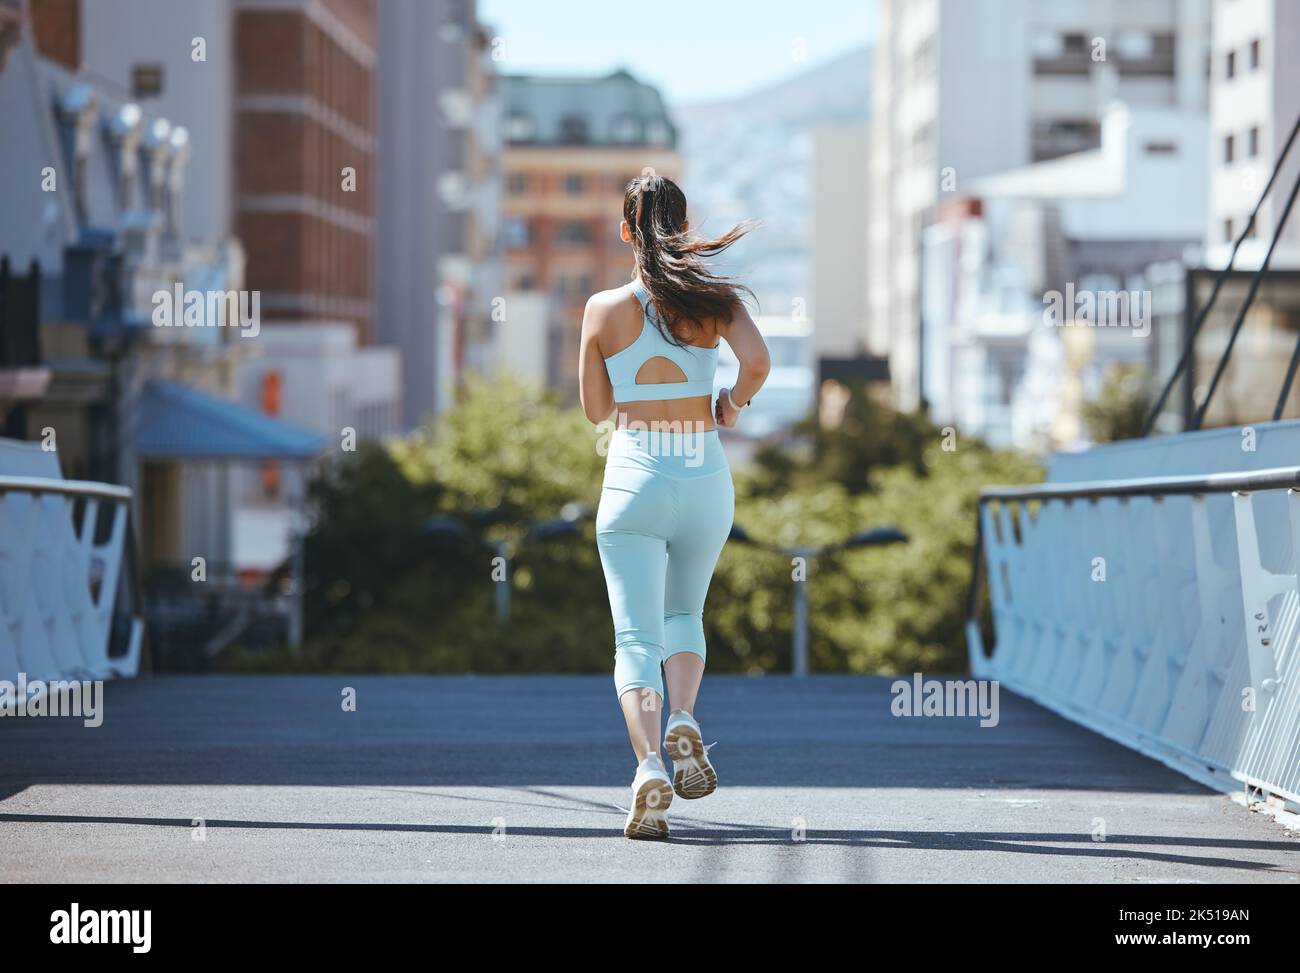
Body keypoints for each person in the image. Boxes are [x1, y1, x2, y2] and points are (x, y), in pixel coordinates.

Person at [578, 172, 770, 839]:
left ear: (626, 231)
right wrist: (732, 404)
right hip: (703, 471)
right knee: (685, 611)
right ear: (683, 229)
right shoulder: (715, 301)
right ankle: (685, 718)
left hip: (634, 470)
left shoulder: (602, 309)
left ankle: (650, 764)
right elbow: (758, 361)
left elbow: (596, 409)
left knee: (636, 637)